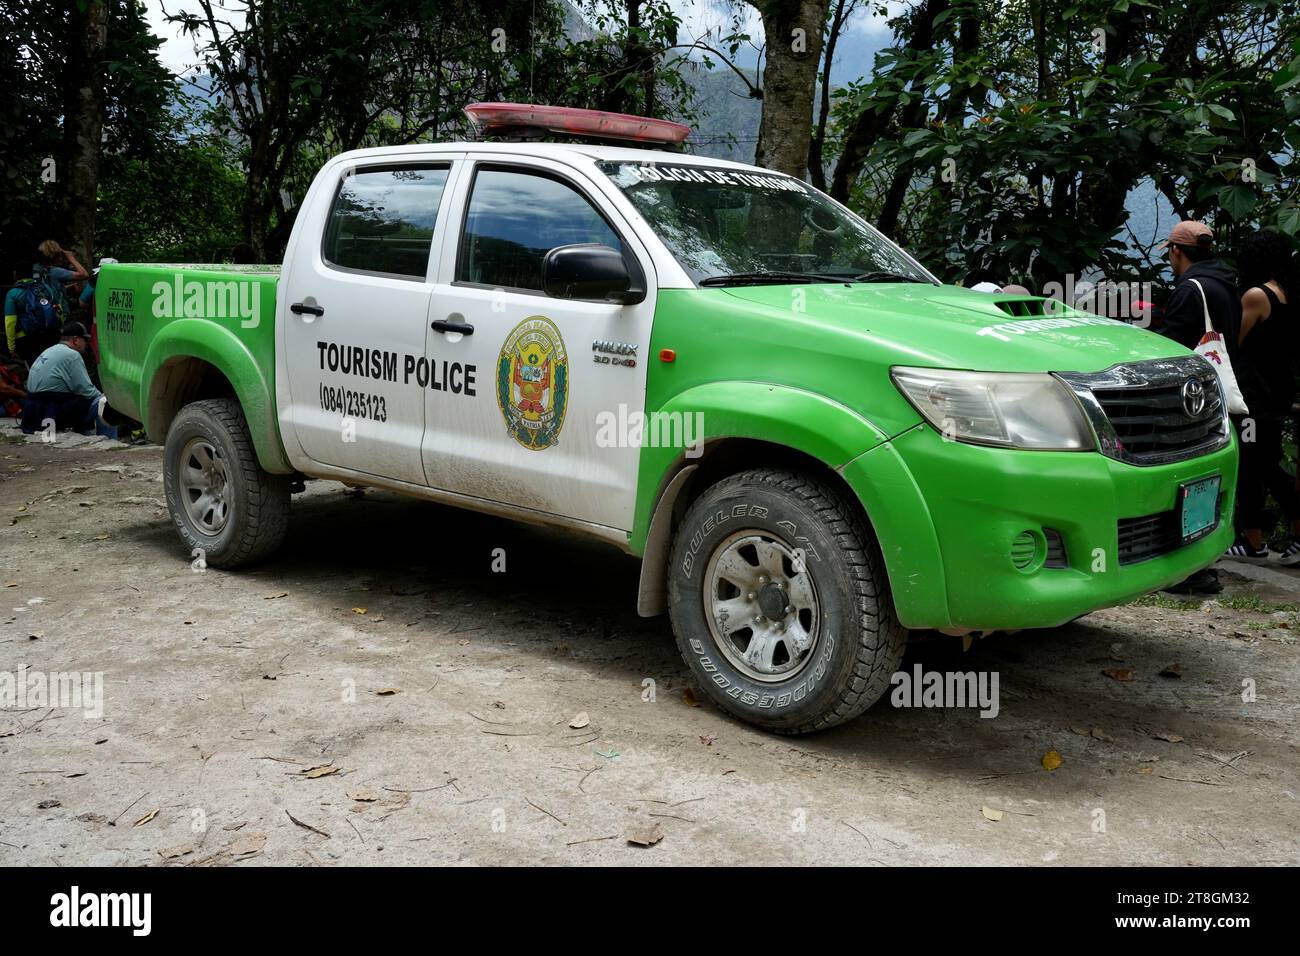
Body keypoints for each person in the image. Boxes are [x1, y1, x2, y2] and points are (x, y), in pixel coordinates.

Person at [1156, 221, 1239, 594]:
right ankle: (1202, 564)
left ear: (1177, 250)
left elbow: (1173, 346)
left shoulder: (1191, 289)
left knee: (1178, 481)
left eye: (1169, 254)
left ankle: (1188, 571)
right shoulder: (1226, 285)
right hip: (1215, 395)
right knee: (1205, 476)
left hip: (1187, 399)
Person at [1228, 229, 1300, 563]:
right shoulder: (1288, 292)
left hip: (1254, 398)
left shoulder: (1256, 296)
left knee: (1258, 467)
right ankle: (1258, 540)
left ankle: (1255, 542)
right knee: (1264, 464)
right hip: (1279, 393)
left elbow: (1233, 344)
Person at [1155, 221, 1241, 356]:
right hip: (1227, 369)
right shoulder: (1226, 280)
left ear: (1175, 249)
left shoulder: (1190, 290)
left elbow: (1170, 342)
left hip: (1199, 372)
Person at [4, 240, 88, 365]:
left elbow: (10, 321)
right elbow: (84, 274)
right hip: (52, 328)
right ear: (58, 254)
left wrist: (11, 347)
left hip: (27, 334)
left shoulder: (20, 287)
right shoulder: (53, 274)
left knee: (35, 367)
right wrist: (70, 257)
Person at [20, 321, 111, 436]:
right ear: (76, 340)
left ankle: (85, 434)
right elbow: (86, 390)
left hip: (34, 411)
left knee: (81, 402)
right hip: (52, 411)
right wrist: (104, 397)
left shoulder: (51, 350)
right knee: (106, 404)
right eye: (85, 340)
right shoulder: (72, 355)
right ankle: (108, 440)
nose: (87, 343)